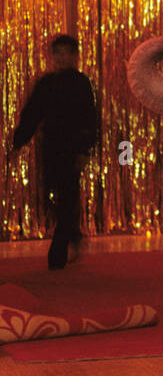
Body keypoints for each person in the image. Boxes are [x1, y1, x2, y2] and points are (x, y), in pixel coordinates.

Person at [11, 35, 98, 270]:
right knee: (50, 195)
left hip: (72, 147)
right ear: (52, 57)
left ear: (75, 56)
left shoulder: (81, 83)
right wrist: (19, 140)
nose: (62, 58)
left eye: (66, 53)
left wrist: (84, 150)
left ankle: (57, 254)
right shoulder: (46, 83)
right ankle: (72, 233)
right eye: (57, 53)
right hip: (50, 146)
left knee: (67, 195)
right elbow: (32, 112)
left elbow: (89, 118)